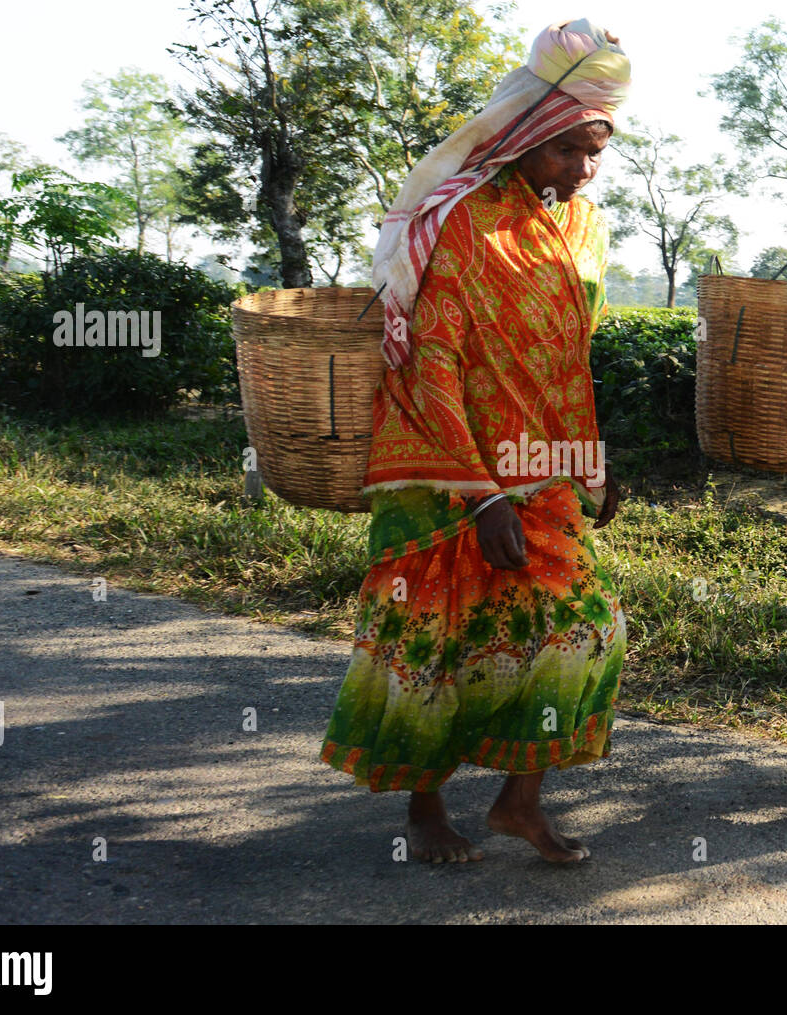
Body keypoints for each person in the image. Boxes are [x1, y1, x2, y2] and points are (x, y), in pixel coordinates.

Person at [320, 20, 630, 863]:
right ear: (528, 136)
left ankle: (518, 802)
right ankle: (424, 812)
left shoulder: (584, 228)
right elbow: (434, 360)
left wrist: (590, 460)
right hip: (447, 468)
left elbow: (569, 356)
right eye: (568, 149)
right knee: (439, 641)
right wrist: (479, 489)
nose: (583, 168)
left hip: (544, 470)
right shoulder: (463, 220)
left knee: (587, 630)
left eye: (596, 149)